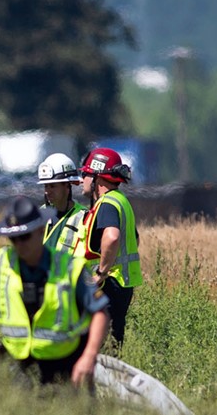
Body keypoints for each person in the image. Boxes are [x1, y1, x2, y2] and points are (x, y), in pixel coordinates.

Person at [0, 196, 110, 389]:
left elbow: (100, 313)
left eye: (25, 236)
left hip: (65, 366)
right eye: (14, 239)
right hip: (19, 367)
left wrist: (89, 356)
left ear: (40, 230)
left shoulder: (70, 267)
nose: (19, 244)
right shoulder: (3, 265)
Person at [77, 147, 141, 348]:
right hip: (122, 284)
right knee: (113, 343)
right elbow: (135, 239)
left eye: (85, 174)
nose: (81, 180)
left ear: (97, 177)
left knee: (99, 345)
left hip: (110, 285)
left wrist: (101, 271)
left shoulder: (107, 203)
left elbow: (112, 237)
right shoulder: (121, 201)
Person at [37, 153, 88, 254]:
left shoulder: (84, 217)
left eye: (52, 186)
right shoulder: (39, 214)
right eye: (46, 186)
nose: (47, 191)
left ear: (67, 186)